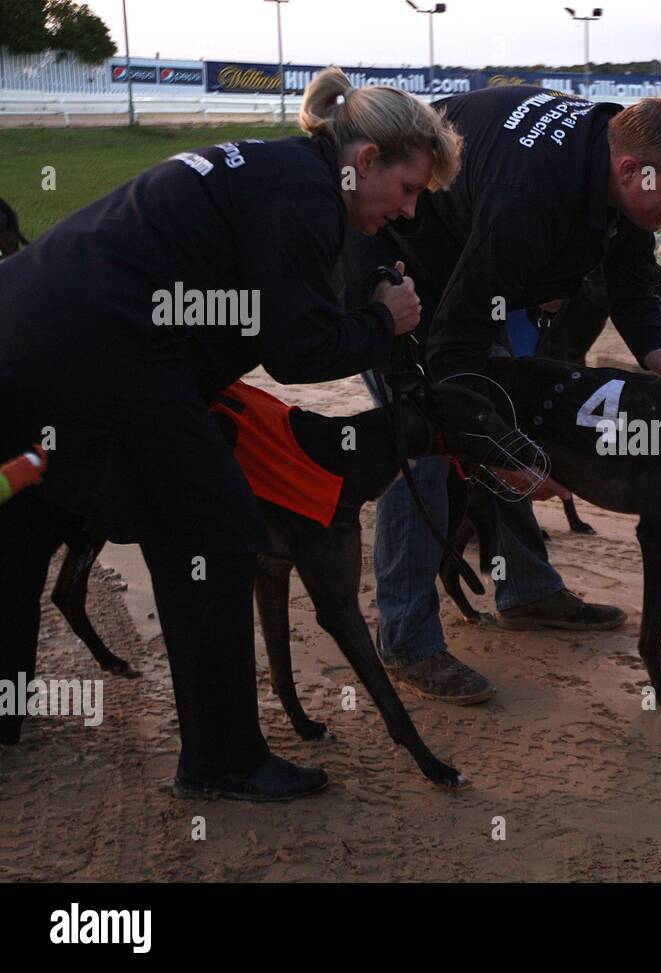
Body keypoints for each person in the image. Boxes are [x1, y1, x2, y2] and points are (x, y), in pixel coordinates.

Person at [0, 67, 460, 801]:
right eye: (407, 190)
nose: (407, 213)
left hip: (28, 321)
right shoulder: (305, 193)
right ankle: (222, 759)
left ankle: (6, 704)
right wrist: (384, 322)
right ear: (364, 160)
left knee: (34, 507)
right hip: (109, 347)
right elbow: (299, 350)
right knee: (214, 533)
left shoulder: (276, 166)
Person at [339, 86, 661, 705]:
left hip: (468, 256)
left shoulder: (613, 155)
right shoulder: (532, 196)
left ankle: (525, 589)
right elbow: (454, 347)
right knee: (429, 439)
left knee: (505, 407)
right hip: (395, 257)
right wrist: (501, 454)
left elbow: (629, 282)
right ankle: (406, 639)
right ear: (631, 170)